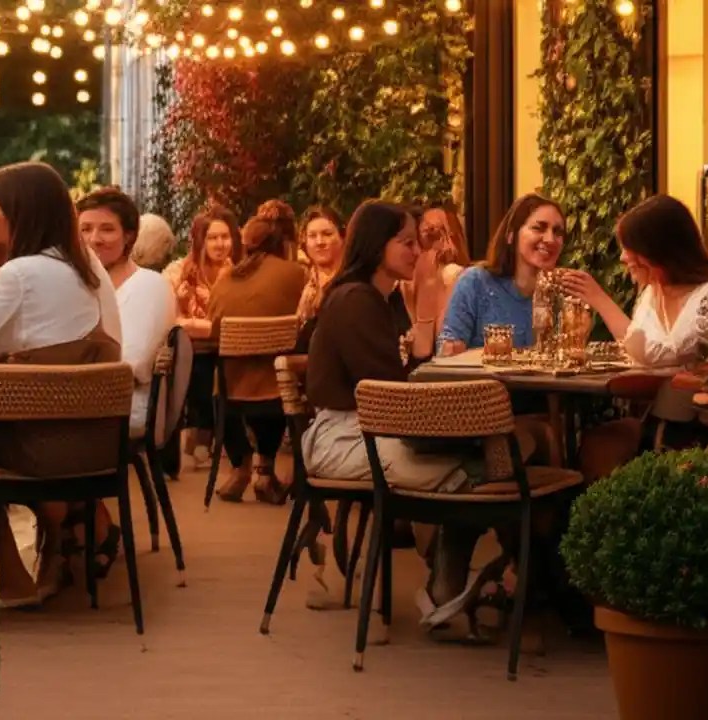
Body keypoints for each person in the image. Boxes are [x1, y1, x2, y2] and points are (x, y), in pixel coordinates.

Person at [304, 199, 497, 619]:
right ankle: (448, 588)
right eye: (407, 243)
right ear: (377, 246)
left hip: (372, 431)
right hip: (346, 440)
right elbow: (397, 395)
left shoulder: (379, 297)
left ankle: (445, 588)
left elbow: (405, 376)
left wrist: (425, 303)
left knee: (487, 459)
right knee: (484, 471)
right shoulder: (355, 300)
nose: (417, 252)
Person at [0, 161, 124, 607]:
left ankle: (12, 579)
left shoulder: (20, 273)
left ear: (22, 211)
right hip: (95, 444)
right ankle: (55, 548)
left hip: (38, 447)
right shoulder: (83, 268)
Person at [563, 194, 708, 476]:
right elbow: (640, 345)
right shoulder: (651, 294)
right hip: (653, 417)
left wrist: (600, 299)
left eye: (630, 249)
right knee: (592, 447)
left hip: (700, 428)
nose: (623, 258)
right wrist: (598, 300)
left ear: (659, 251)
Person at [208, 216, 307, 504]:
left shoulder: (225, 279)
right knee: (278, 370)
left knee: (217, 377)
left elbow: (214, 330)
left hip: (230, 388)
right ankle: (265, 469)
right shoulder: (295, 273)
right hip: (279, 387)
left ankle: (241, 467)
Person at [77, 187, 176, 438]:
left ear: (129, 237)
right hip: (79, 401)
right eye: (85, 229)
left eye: (107, 229)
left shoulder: (148, 285)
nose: (94, 239)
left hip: (122, 409)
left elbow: (131, 366)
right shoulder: (79, 286)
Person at [163, 205, 242, 469]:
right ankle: (200, 436)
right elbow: (169, 319)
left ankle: (206, 438)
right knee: (200, 363)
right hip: (190, 348)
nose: (220, 244)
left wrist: (203, 327)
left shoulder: (238, 273)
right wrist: (207, 327)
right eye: (213, 237)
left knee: (219, 363)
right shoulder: (178, 271)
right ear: (200, 240)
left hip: (229, 346)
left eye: (225, 237)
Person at [439, 194, 566, 354]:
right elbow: (446, 354)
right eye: (539, 228)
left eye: (558, 232)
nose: (550, 239)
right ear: (511, 235)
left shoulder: (563, 295)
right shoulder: (476, 282)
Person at [296, 206, 345, 323]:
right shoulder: (309, 285)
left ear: (342, 237)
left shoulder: (351, 281)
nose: (319, 242)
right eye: (312, 236)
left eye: (327, 234)